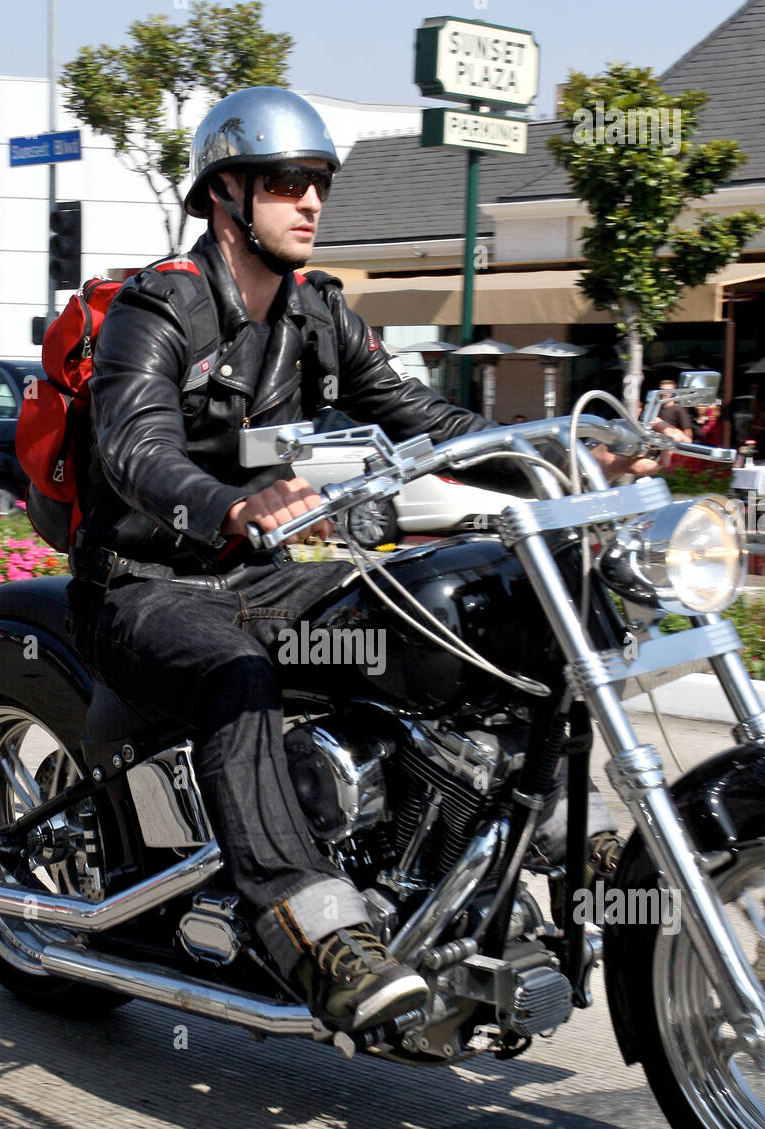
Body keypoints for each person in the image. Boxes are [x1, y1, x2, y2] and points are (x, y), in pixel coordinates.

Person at [70, 87, 669, 1035]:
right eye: (287, 183)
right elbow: (133, 448)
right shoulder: (159, 308)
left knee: (464, 611)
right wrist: (232, 504)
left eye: (319, 183)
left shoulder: (318, 316)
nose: (311, 202)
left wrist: (565, 456)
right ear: (225, 194)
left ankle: (547, 832)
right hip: (149, 590)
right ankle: (315, 933)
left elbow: (425, 419)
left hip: (269, 577)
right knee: (239, 675)